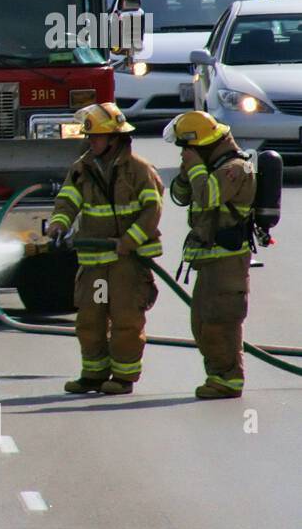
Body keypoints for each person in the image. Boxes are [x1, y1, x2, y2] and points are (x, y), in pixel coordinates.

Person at [47, 103, 164, 395]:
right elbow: (67, 201)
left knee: (126, 317)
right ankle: (93, 374)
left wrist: (129, 242)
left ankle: (123, 378)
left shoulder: (138, 170)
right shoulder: (82, 169)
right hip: (95, 262)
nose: (91, 141)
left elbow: (152, 210)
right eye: (90, 137)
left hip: (127, 262)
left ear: (115, 138)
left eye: (97, 136)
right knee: (91, 318)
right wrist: (59, 225)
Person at [165, 111, 256, 398]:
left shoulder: (235, 169)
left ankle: (228, 379)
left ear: (201, 144)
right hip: (209, 260)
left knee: (221, 320)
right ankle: (217, 375)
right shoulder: (207, 167)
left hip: (227, 260)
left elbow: (207, 197)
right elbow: (181, 197)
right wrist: (187, 172)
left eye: (186, 147)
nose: (184, 153)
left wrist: (194, 169)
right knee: (203, 322)